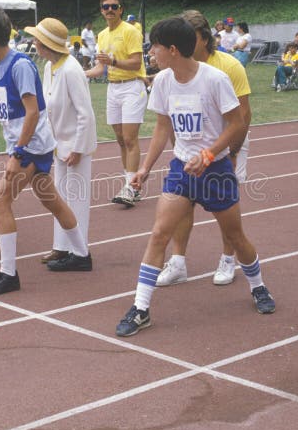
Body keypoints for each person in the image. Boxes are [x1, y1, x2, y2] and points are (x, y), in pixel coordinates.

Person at [115, 17, 275, 337]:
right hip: (181, 169)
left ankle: (258, 286)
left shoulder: (215, 79)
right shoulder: (162, 81)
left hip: (215, 170)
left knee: (235, 236)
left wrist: (209, 154)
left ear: (172, 49)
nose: (151, 53)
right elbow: (163, 127)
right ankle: (141, 308)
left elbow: (235, 123)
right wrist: (144, 169)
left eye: (154, 47)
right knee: (160, 233)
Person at [0, 9, 92, 296]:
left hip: (32, 147)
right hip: (27, 145)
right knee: (52, 201)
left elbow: (33, 112)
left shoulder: (19, 66)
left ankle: (8, 274)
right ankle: (82, 255)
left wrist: (18, 153)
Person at [155, 10, 252, 287]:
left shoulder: (227, 68)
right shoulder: (175, 70)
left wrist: (228, 153)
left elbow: (242, 115)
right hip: (191, 150)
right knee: (183, 205)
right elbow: (170, 120)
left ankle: (228, 257)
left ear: (203, 38)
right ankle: (178, 261)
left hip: (226, 146)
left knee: (226, 210)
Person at [24, 18, 98, 266]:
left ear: (47, 44)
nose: (34, 43)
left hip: (74, 145)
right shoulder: (49, 67)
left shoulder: (71, 69)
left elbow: (85, 113)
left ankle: (79, 251)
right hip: (57, 145)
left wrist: (78, 148)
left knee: (76, 198)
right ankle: (61, 247)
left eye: (38, 39)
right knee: (60, 198)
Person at [84, 0, 147, 207]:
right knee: (120, 139)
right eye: (105, 7)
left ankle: (131, 187)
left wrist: (113, 61)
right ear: (101, 10)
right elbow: (100, 68)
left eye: (114, 6)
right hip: (113, 87)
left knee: (130, 139)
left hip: (132, 86)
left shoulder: (130, 31)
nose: (109, 10)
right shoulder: (101, 35)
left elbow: (136, 63)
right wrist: (80, 74)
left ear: (121, 9)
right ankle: (130, 182)